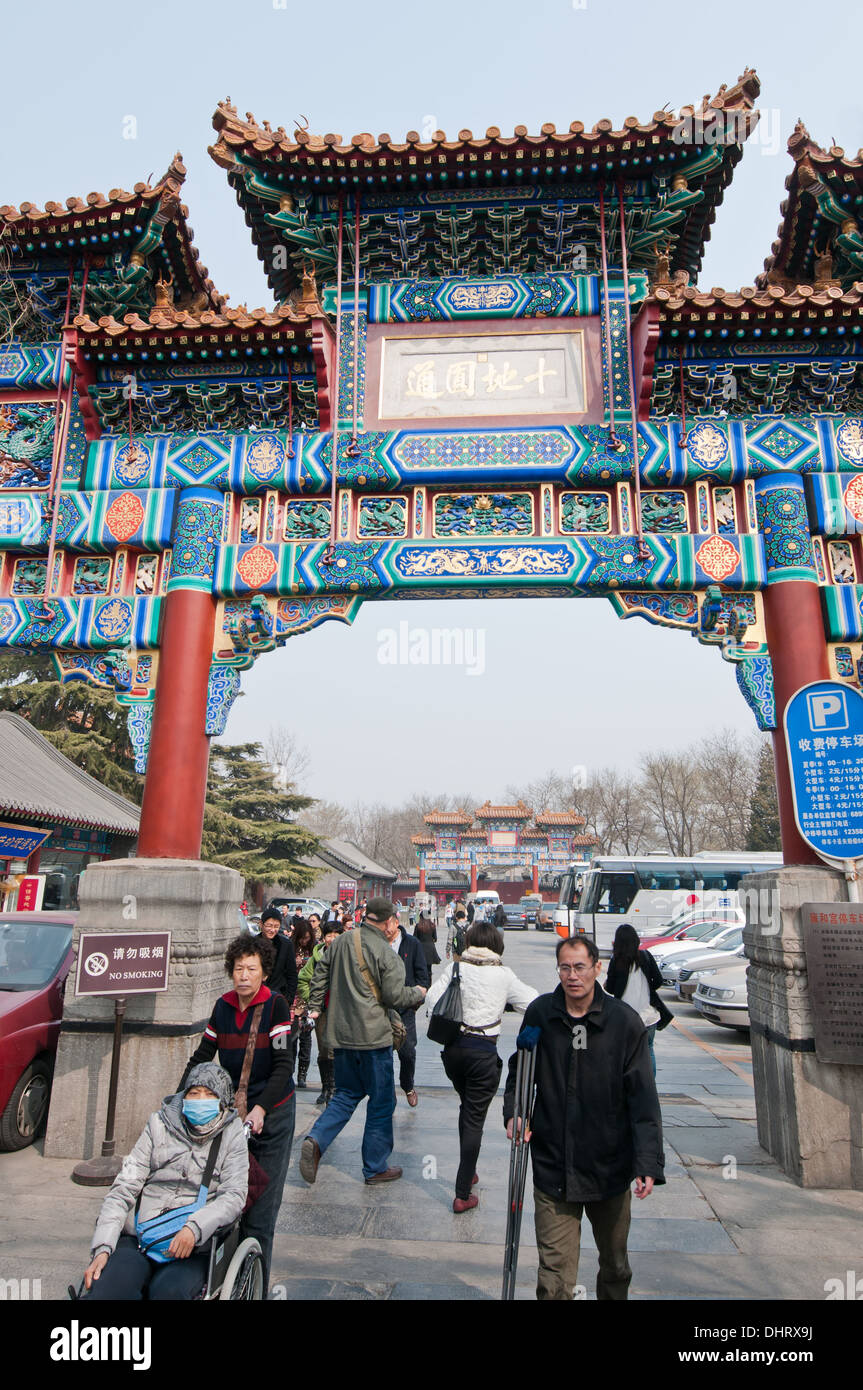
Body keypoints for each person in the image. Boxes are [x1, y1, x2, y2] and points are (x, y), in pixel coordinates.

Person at [504, 935, 665, 1301]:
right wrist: (515, 1114)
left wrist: (647, 1162)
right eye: (565, 967)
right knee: (554, 1278)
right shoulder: (541, 1013)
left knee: (615, 1266)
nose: (572, 975)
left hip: (609, 1165)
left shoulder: (624, 1023)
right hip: (553, 1163)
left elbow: (643, 1098)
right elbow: (519, 1071)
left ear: (597, 967)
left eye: (580, 967)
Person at [181, 934, 295, 1285]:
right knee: (226, 1204)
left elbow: (283, 1064)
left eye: (251, 969)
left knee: (260, 1214)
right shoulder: (223, 1007)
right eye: (238, 969)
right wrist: (178, 1099)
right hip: (231, 1118)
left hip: (271, 1115)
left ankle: (254, 1285)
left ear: (264, 973)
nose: (244, 976)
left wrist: (261, 1108)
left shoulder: (276, 1007)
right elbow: (203, 1056)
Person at [80, 1063, 248, 1300]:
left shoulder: (231, 1134)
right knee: (109, 1290)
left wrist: (195, 1228)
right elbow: (123, 1188)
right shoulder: (158, 1124)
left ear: (222, 1102)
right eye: (194, 1093)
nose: (201, 1099)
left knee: (168, 1293)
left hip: (193, 1246)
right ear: (184, 1096)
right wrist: (102, 1248)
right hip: (140, 1236)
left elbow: (234, 1196)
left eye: (210, 1094)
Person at [299, 898, 426, 1186]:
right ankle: (375, 1167)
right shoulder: (385, 952)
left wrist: (316, 1005)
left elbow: (319, 972)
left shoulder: (342, 941)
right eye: (394, 920)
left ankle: (316, 1139)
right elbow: (395, 996)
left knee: (345, 1095)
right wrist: (418, 993)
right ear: (388, 922)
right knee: (381, 1101)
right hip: (373, 1039)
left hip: (342, 1036)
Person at [426, 921, 537, 1213]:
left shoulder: (457, 968)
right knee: (475, 1118)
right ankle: (463, 1193)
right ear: (497, 945)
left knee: (468, 1109)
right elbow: (533, 1002)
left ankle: (469, 1167)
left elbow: (431, 999)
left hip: (453, 1053)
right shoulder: (503, 974)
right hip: (483, 1053)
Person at [604, 923, 673, 1077]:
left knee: (625, 1051)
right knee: (648, 1049)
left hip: (625, 1016)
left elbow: (611, 988)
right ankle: (649, 1082)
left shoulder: (617, 961)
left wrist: (607, 985)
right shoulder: (646, 956)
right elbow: (659, 981)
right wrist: (646, 988)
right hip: (649, 1015)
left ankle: (628, 1080)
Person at [383, 912, 430, 1107]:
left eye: (387, 924)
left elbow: (423, 975)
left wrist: (416, 999)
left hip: (405, 1007)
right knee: (383, 1054)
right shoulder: (376, 945)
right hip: (382, 1008)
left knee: (407, 1051)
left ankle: (407, 1085)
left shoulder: (412, 944)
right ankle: (387, 1094)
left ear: (396, 923)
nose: (384, 929)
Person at [298, 919, 344, 1105]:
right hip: (322, 1011)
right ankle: (326, 1088)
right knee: (324, 1049)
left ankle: (334, 1089)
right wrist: (312, 999)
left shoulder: (347, 956)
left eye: (336, 935)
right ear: (323, 937)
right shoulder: (317, 957)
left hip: (341, 1010)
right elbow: (303, 980)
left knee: (335, 1050)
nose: (332, 939)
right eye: (329, 935)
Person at [289, 917, 317, 1088]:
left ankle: (302, 1075)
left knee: (306, 1039)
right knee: (291, 1040)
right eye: (302, 938)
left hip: (307, 999)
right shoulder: (290, 949)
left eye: (307, 938)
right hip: (292, 1000)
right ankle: (289, 1073)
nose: (304, 941)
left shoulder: (315, 950)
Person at [259, 907, 298, 1006]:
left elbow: (292, 974)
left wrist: (288, 999)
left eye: (276, 926)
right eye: (269, 925)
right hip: (256, 997)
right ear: (261, 924)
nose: (272, 930)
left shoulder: (286, 945)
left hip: (278, 998)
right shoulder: (252, 944)